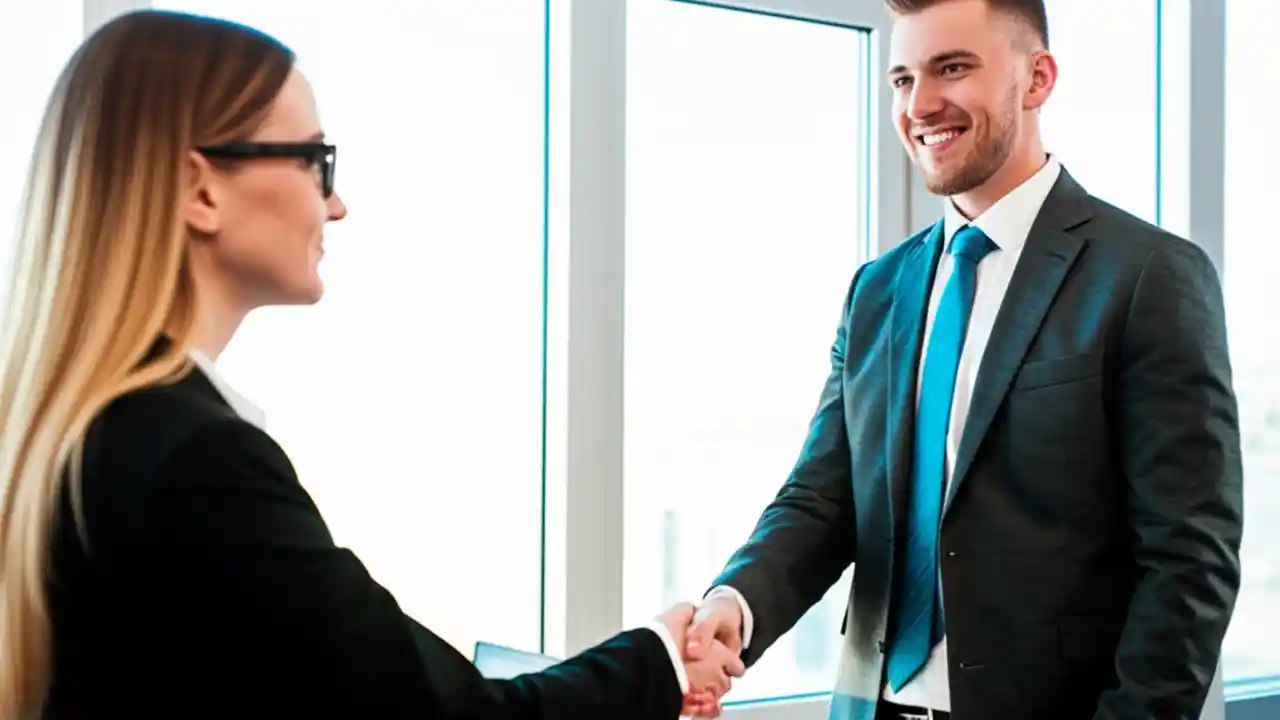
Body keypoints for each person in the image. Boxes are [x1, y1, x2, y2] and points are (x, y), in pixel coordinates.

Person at [0, 10, 743, 719]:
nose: (337, 205)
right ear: (201, 189)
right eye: (314, 160)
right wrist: (661, 660)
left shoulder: (80, 437)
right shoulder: (196, 459)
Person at [679, 0, 1244, 718]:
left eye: (952, 69)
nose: (920, 105)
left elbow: (1188, 560)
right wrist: (738, 601)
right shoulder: (877, 290)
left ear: (1037, 79)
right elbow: (826, 498)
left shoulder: (1148, 276)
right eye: (901, 79)